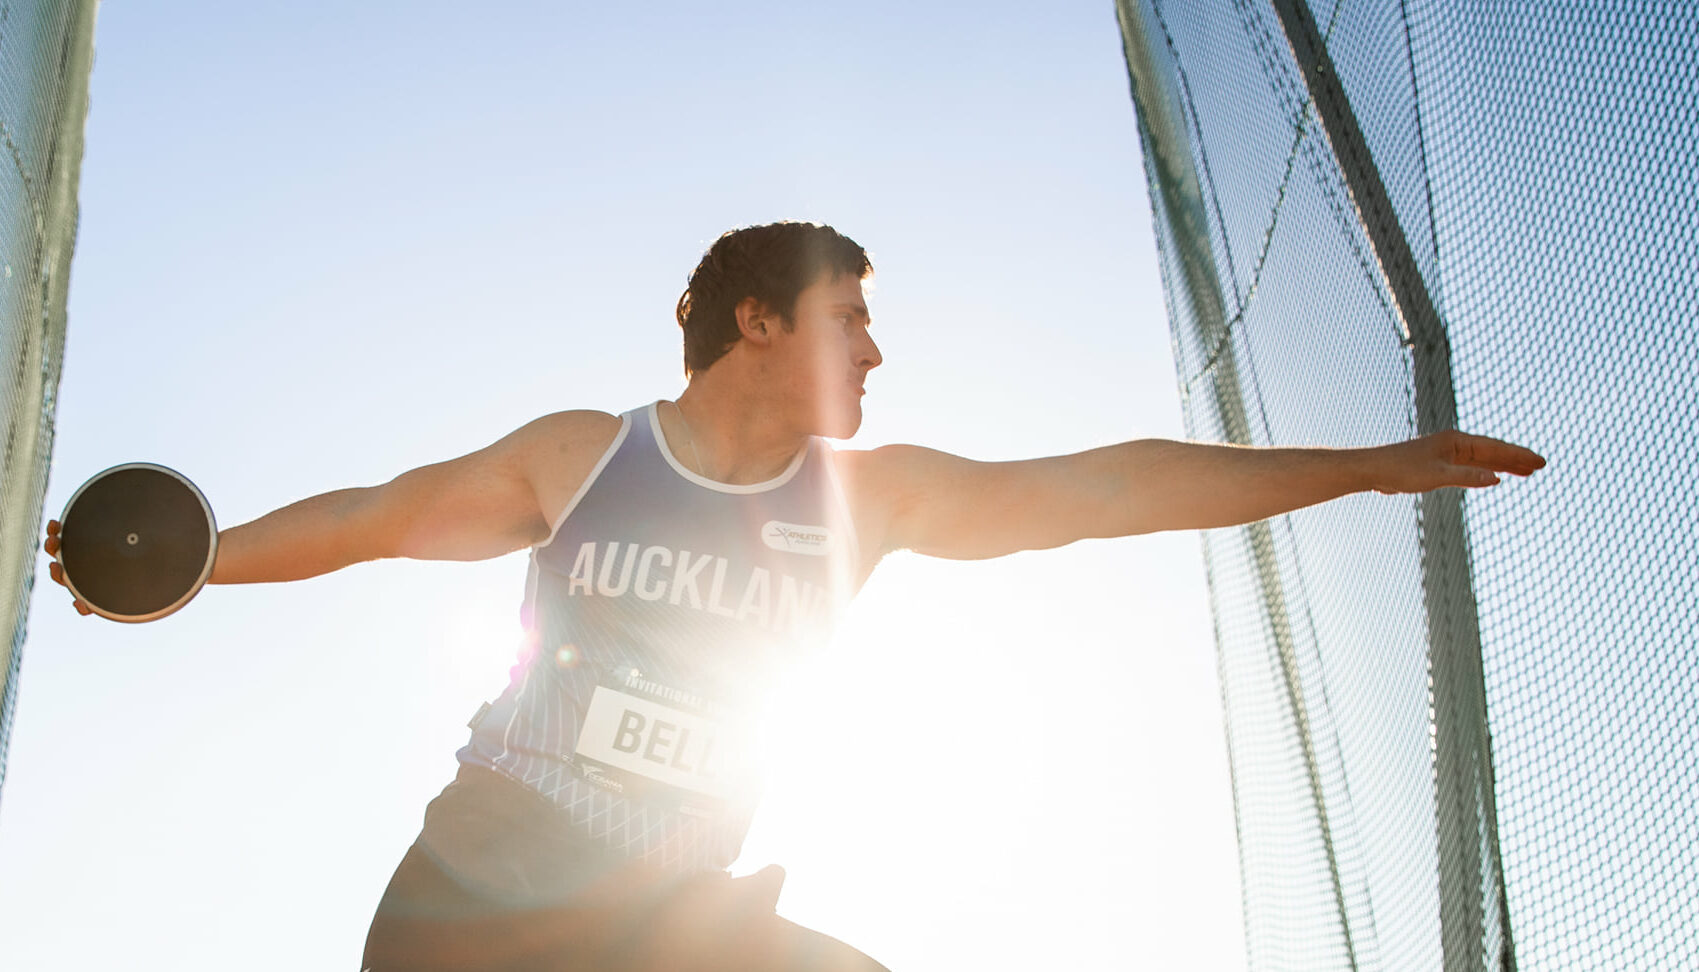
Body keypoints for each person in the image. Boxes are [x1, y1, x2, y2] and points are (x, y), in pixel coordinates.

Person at [44, 221, 1544, 970]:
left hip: (675, 918)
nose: (876, 352)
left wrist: (1363, 465)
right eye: (851, 318)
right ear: (757, 321)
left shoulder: (867, 502)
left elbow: (1110, 488)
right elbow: (376, 520)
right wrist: (186, 556)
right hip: (485, 898)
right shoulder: (587, 458)